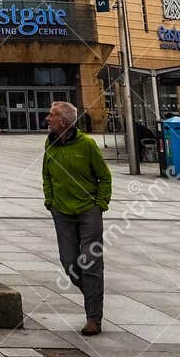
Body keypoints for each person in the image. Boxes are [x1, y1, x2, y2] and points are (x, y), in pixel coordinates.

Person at [42, 100, 112, 337]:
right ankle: (93, 294)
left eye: (51, 115)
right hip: (62, 212)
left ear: (63, 121)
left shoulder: (87, 144)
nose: (47, 118)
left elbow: (104, 176)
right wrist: (49, 201)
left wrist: (100, 204)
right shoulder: (49, 144)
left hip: (88, 212)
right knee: (70, 263)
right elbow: (46, 175)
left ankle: (94, 317)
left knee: (91, 263)